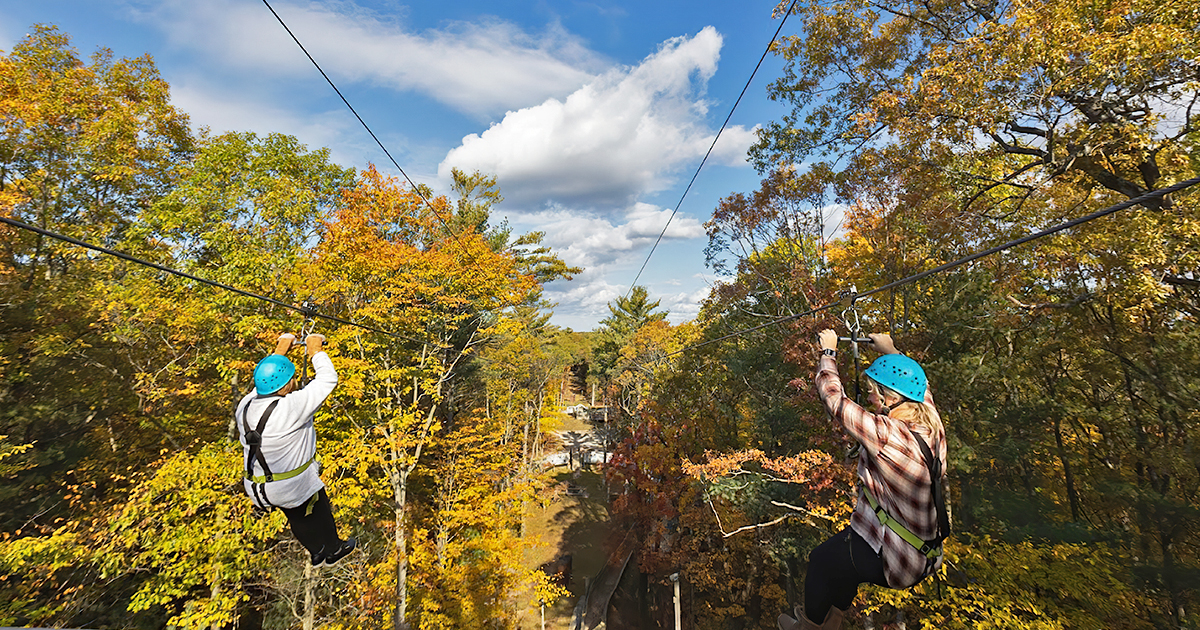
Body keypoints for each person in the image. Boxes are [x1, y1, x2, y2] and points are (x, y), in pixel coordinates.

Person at [778, 330, 948, 630]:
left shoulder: (886, 434)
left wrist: (828, 354)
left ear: (891, 398)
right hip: (926, 553)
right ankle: (830, 623)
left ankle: (807, 628)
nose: (869, 397)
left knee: (819, 561)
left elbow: (834, 400)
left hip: (898, 560)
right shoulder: (931, 423)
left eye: (874, 391)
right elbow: (921, 387)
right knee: (843, 562)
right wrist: (891, 351)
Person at [236, 331, 356, 567]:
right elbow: (327, 380)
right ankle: (333, 548)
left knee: (296, 516)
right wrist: (315, 351)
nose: (294, 383)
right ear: (284, 385)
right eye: (290, 380)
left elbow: (262, 382)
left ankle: (316, 551)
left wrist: (282, 348)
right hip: (291, 485)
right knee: (319, 507)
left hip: (258, 485)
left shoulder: (245, 405)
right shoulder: (291, 407)